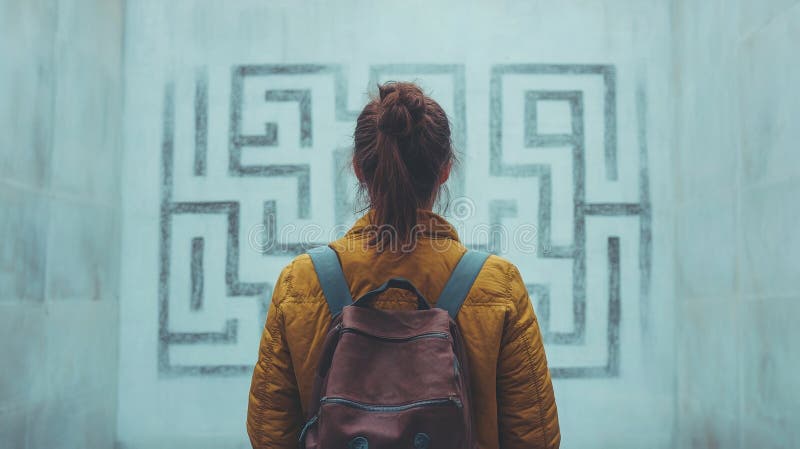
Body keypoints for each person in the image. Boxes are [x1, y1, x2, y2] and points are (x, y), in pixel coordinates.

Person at [246, 81, 560, 449]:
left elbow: (269, 435)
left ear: (358, 168)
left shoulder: (301, 282)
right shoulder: (497, 285)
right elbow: (535, 437)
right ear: (444, 171)